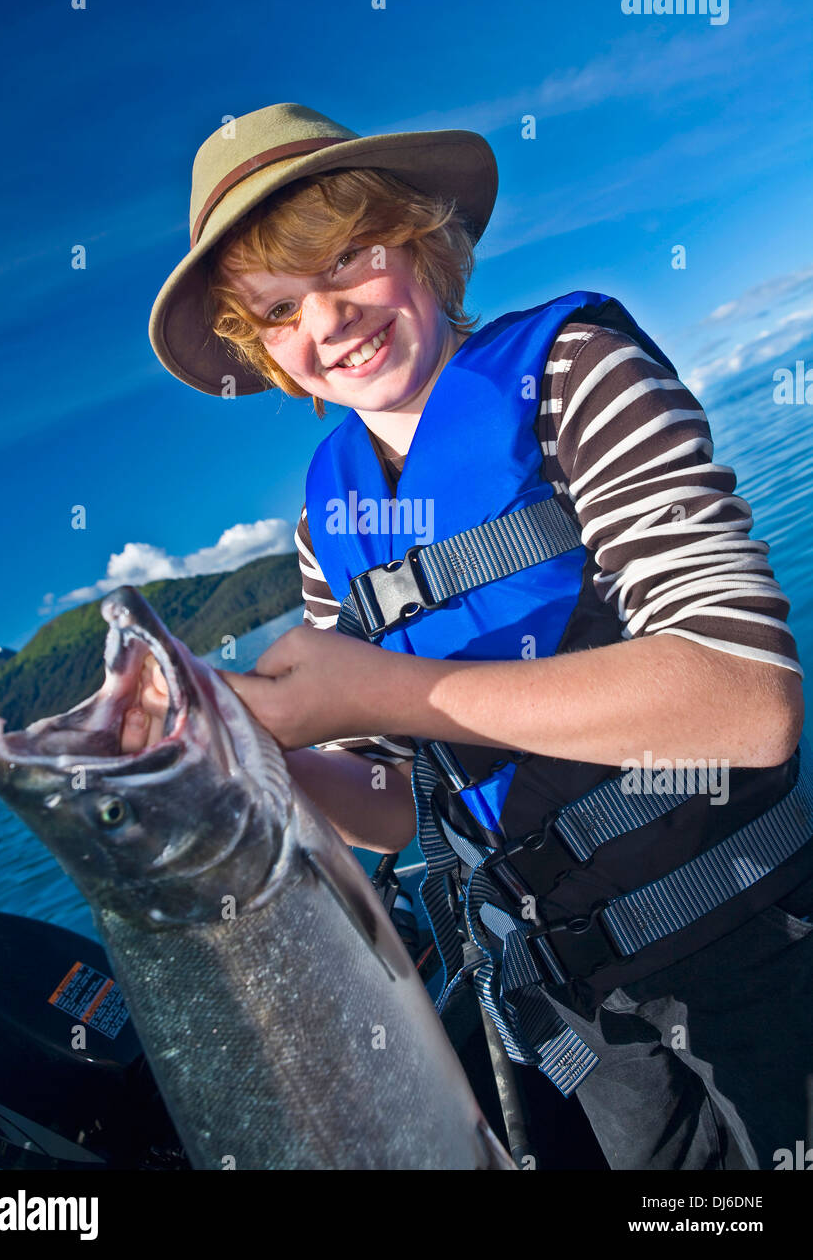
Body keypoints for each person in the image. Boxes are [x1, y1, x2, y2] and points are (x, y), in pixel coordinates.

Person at [132, 102, 813, 1170]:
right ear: (260, 352)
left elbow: (749, 700)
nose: (325, 323)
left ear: (424, 237)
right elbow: (401, 807)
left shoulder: (574, 375)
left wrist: (379, 690)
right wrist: (249, 754)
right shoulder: (328, 527)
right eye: (275, 309)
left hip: (759, 948)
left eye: (347, 257)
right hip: (576, 1015)